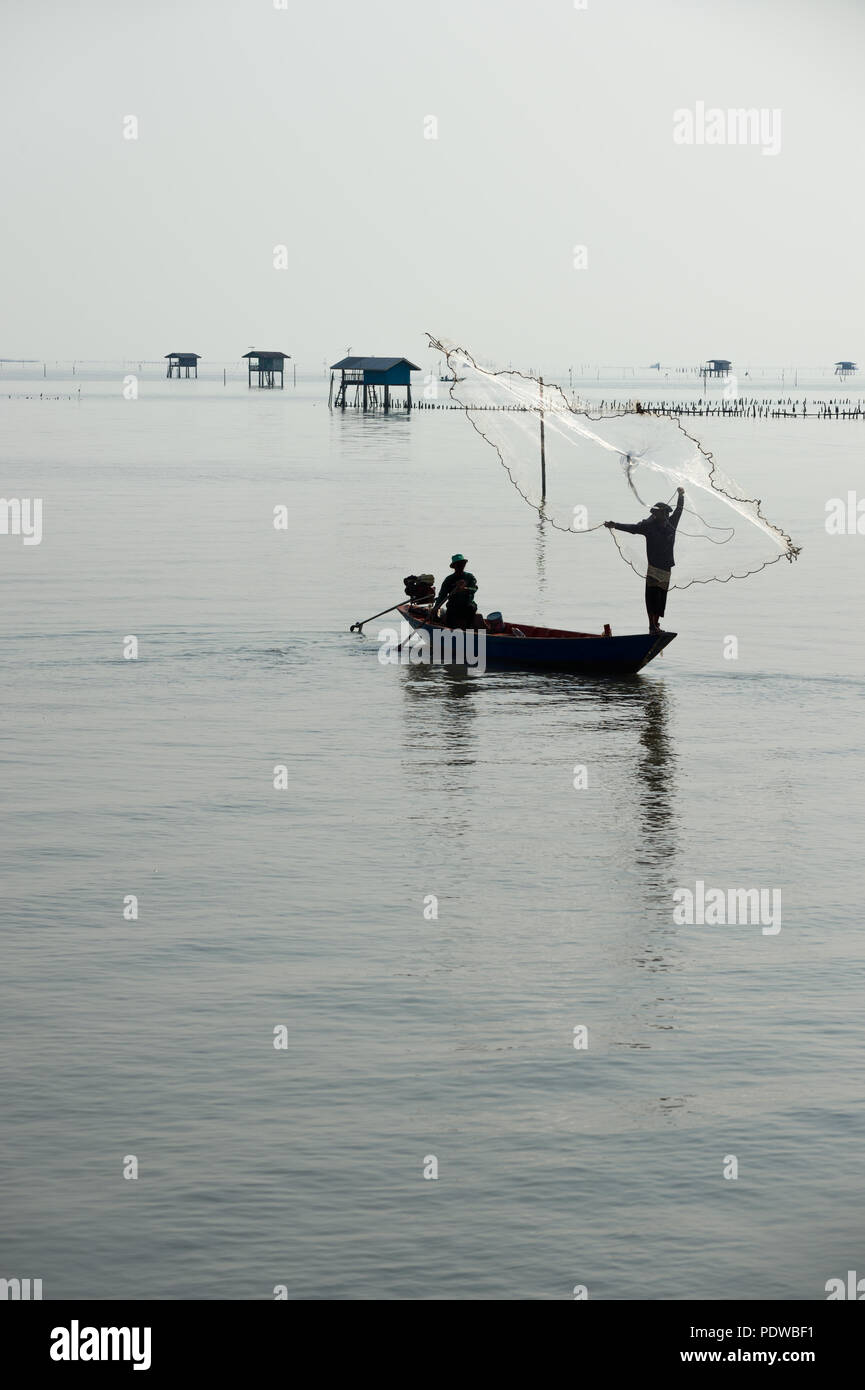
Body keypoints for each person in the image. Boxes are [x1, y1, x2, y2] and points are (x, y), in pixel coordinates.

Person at [605, 487, 684, 633]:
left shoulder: (672, 524)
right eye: (656, 513)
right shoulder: (648, 527)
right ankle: (652, 626)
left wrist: (681, 494)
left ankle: (656, 624)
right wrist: (615, 525)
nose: (659, 516)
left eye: (661, 513)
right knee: (651, 596)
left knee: (661, 598)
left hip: (666, 568)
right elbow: (632, 528)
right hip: (654, 567)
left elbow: (679, 510)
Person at [433, 554, 479, 627]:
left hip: (467, 605)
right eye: (458, 564)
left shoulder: (469, 577)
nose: (461, 566)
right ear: (454, 566)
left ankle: (469, 629)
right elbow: (442, 595)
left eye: (462, 564)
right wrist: (436, 608)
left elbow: (474, 589)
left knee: (472, 608)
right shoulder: (449, 579)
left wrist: (465, 589)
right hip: (453, 606)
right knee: (450, 619)